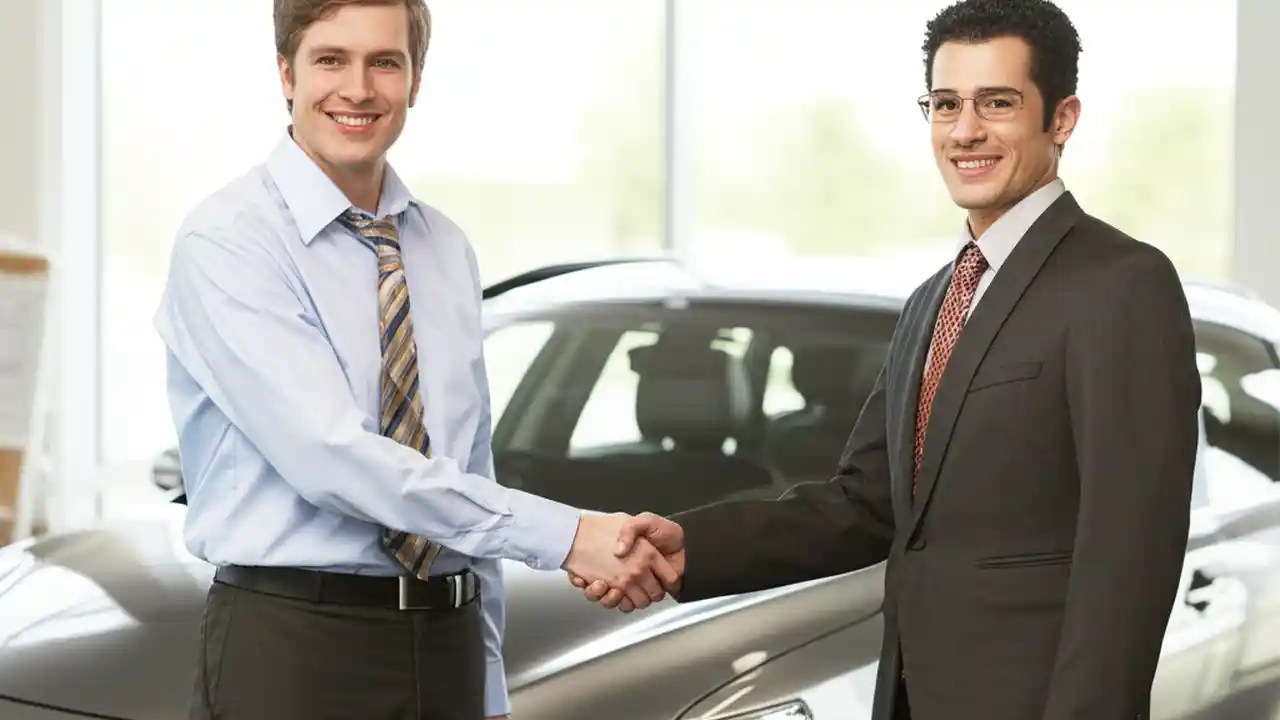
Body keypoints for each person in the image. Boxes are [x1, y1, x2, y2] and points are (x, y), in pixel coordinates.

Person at [577, 1, 1201, 718]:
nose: (965, 131)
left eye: (997, 103)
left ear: (1061, 119)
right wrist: (690, 547)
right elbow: (865, 506)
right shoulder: (933, 299)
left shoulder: (1121, 284)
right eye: (946, 104)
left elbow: (1128, 555)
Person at [154, 1, 675, 718]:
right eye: (331, 60)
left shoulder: (444, 249)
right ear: (286, 74)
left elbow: (469, 465)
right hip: (297, 650)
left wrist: (487, 684)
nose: (358, 89)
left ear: (415, 79)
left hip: (448, 640)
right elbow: (330, 456)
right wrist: (568, 536)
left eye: (384, 63)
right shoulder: (229, 242)